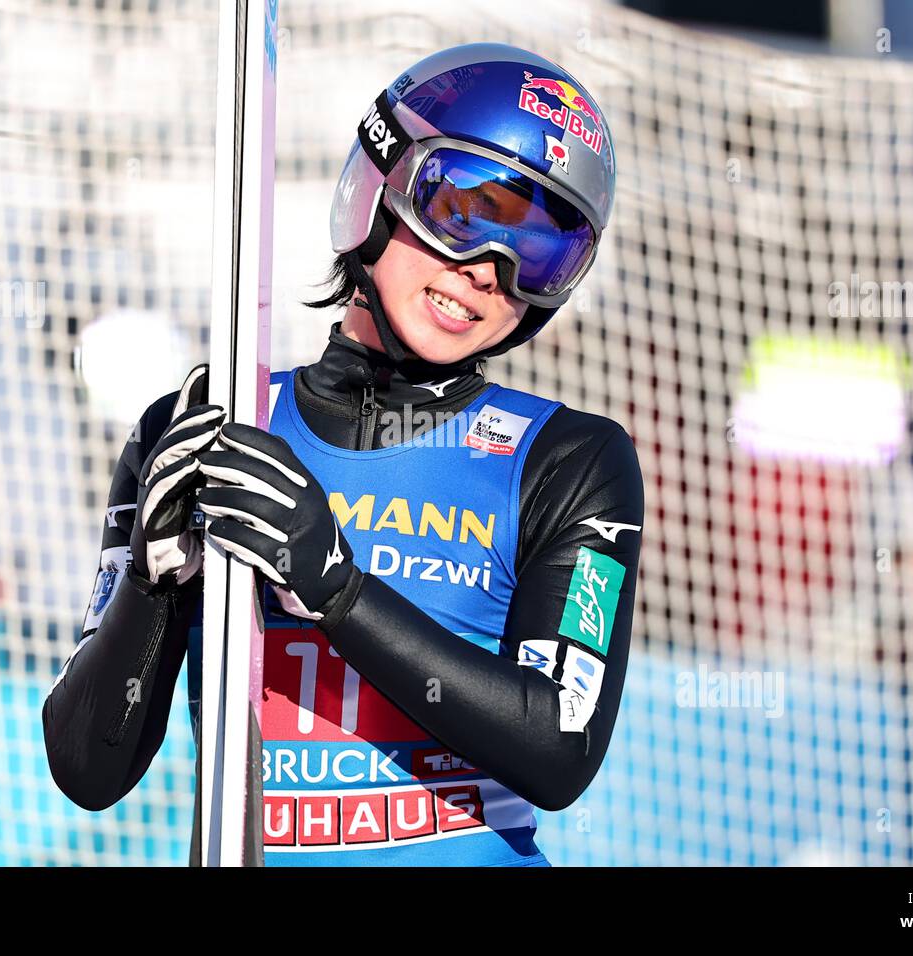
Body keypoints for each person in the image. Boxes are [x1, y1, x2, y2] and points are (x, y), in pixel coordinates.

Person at [43, 42, 643, 866]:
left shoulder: (568, 461)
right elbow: (85, 766)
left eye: (539, 250)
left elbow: (560, 747)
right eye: (464, 212)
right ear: (381, 184)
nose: (487, 273)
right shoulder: (206, 424)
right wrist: (150, 591)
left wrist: (336, 588)